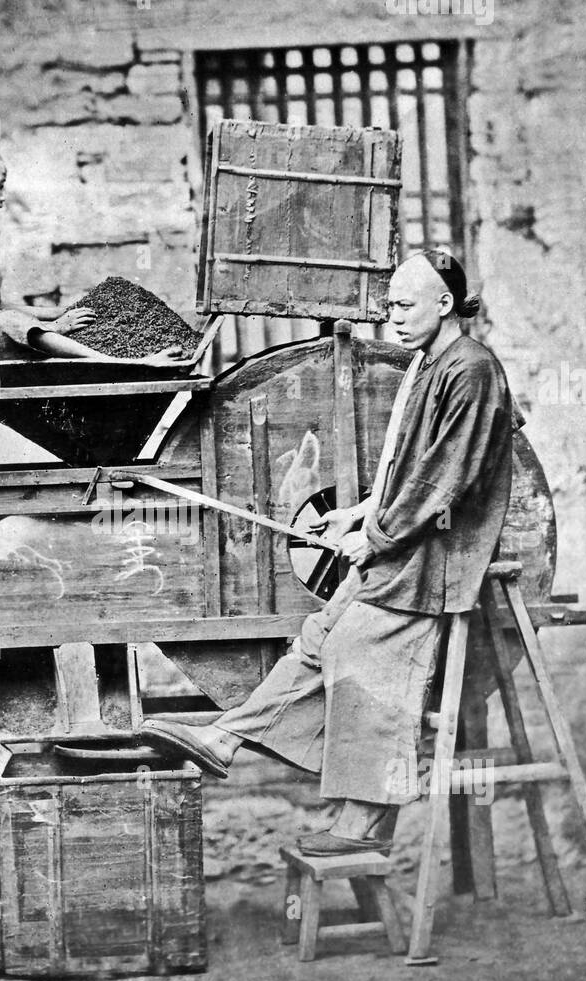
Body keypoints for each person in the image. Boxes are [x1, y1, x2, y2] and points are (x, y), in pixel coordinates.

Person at [144, 250, 521, 856]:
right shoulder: (433, 363)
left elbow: (445, 479)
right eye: (390, 305)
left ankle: (366, 824)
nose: (391, 317)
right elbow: (409, 469)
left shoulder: (471, 370)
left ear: (445, 304)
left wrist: (374, 536)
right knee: (320, 638)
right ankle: (228, 738)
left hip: (435, 560)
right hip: (404, 546)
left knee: (361, 660)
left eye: (404, 305)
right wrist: (363, 510)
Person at [0, 136, 184, 366]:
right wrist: (54, 327)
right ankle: (129, 364)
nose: (4, 196)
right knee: (13, 324)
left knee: (21, 323)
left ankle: (111, 357)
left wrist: (59, 312)